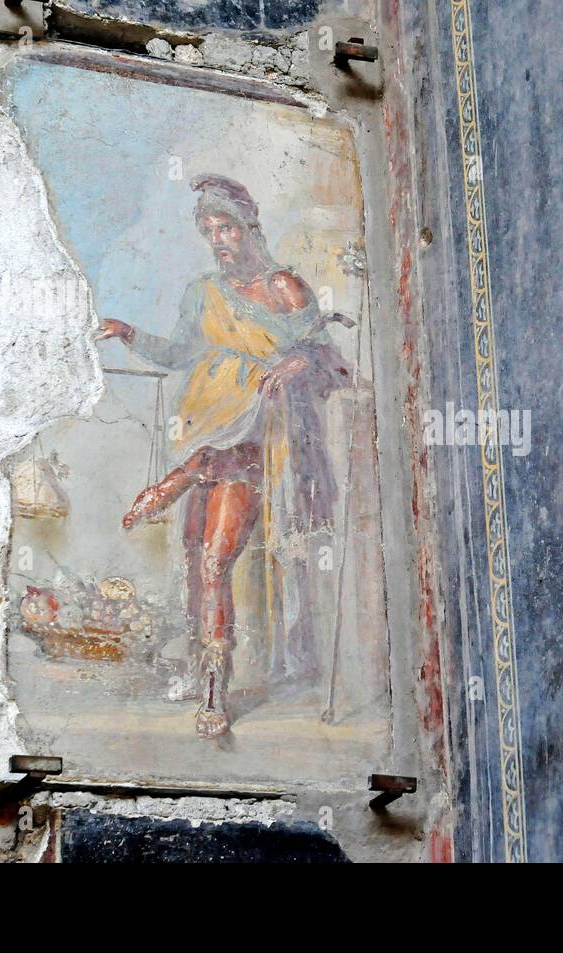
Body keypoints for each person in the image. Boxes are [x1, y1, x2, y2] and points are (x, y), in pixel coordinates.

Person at [97, 174, 349, 739]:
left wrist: (298, 363)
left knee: (215, 561)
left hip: (260, 442)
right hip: (208, 426)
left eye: (226, 227)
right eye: (209, 231)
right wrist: (130, 332)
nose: (219, 240)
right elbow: (182, 354)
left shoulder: (285, 288)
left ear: (249, 226)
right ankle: (197, 663)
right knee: (192, 556)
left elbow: (334, 363)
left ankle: (217, 685)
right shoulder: (203, 293)